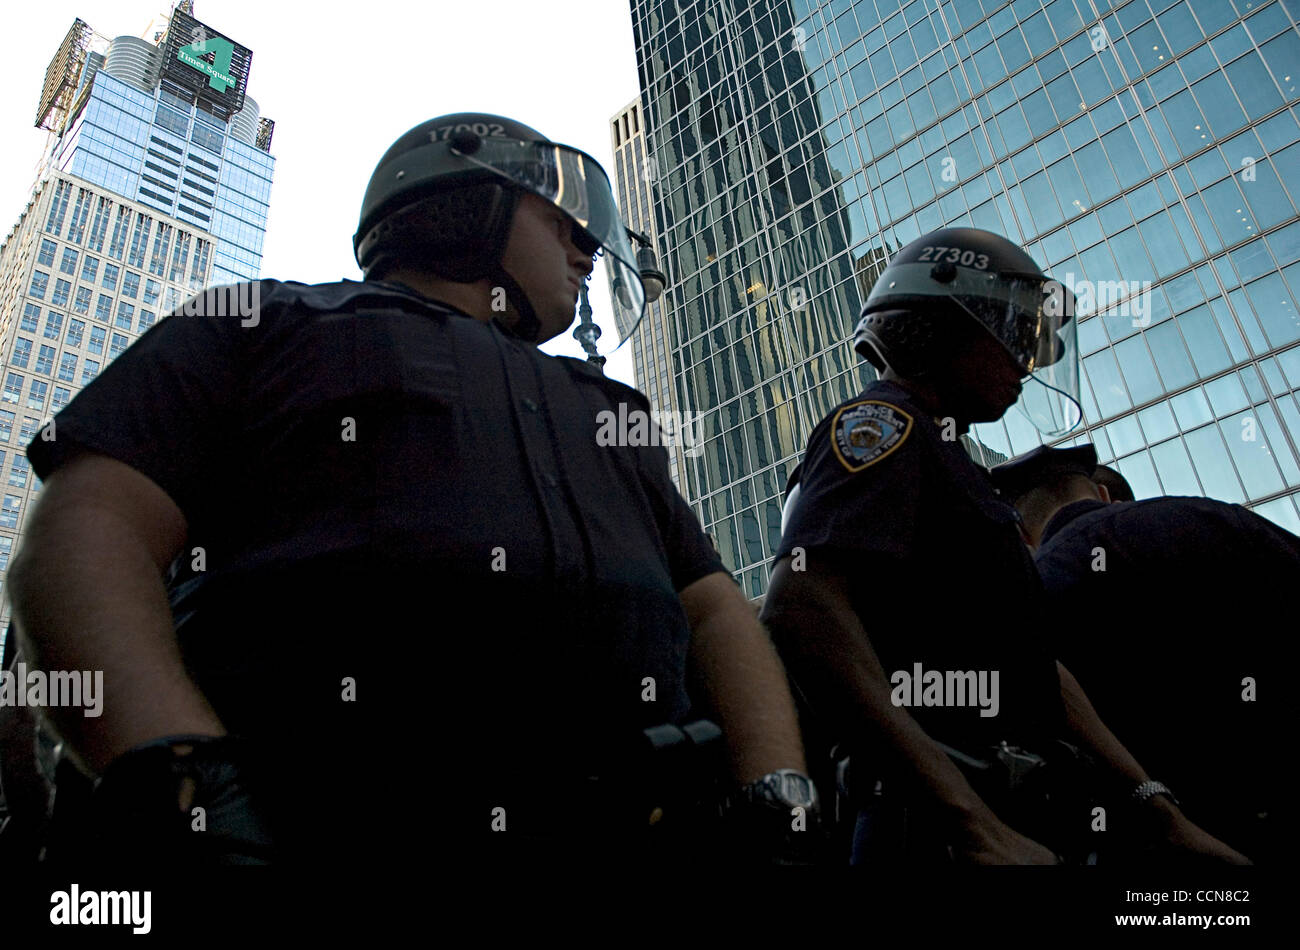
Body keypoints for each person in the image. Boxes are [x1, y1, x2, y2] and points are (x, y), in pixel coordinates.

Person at [9, 113, 815, 868]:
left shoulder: (609, 407)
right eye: (562, 225)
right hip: (311, 836)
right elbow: (89, 528)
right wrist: (181, 780)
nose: (585, 253)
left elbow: (711, 606)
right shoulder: (263, 322)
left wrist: (775, 787)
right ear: (464, 202)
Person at [760, 226, 1250, 864]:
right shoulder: (885, 426)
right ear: (942, 319)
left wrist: (1162, 815)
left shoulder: (955, 469)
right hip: (930, 831)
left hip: (1019, 815)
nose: (1025, 362)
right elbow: (801, 608)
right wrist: (974, 828)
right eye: (1014, 335)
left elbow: (1039, 672)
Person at [990, 442, 1297, 861]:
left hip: (1175, 831)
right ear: (1101, 493)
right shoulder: (1207, 515)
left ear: (1022, 532)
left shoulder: (1030, 593)